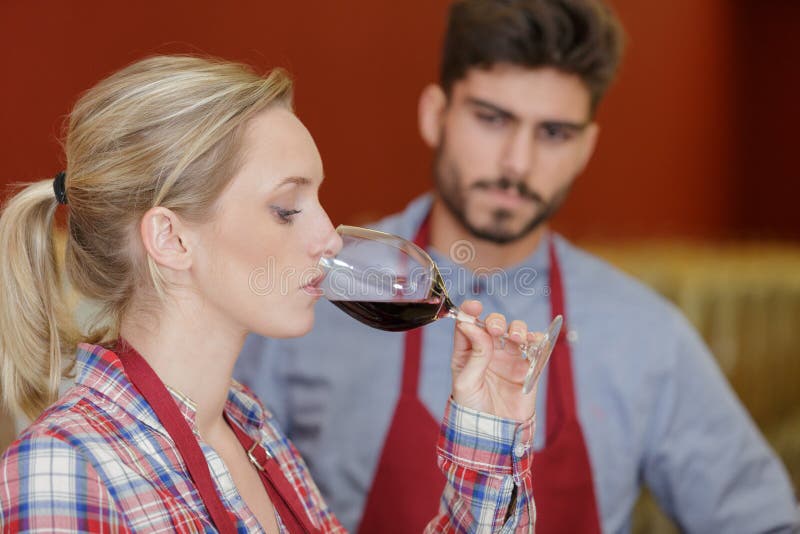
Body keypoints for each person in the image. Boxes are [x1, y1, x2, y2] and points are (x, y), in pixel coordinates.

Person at [234, 0, 800, 532]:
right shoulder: (308, 291)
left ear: (585, 148)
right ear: (436, 115)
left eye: (553, 133)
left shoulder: (646, 335)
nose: (517, 162)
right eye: (492, 118)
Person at [0, 55, 543, 532]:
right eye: (286, 210)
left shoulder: (248, 424)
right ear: (171, 238)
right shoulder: (65, 470)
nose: (329, 236)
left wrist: (488, 432)